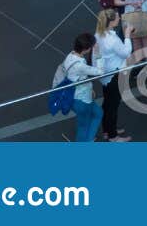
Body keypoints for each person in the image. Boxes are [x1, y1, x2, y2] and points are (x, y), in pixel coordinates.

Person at [53, 34, 103, 142]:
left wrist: (90, 89)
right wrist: (98, 54)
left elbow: (79, 77)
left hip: (75, 96)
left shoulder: (71, 55)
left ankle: (88, 139)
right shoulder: (80, 65)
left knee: (98, 113)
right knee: (83, 126)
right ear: (86, 49)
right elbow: (100, 72)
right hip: (82, 100)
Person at [93, 8, 133, 142]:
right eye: (117, 17)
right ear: (110, 22)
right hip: (115, 75)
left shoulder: (98, 34)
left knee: (107, 103)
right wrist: (127, 35)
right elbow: (126, 53)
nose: (119, 19)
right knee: (113, 106)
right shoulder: (113, 39)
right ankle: (113, 136)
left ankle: (108, 130)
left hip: (105, 75)